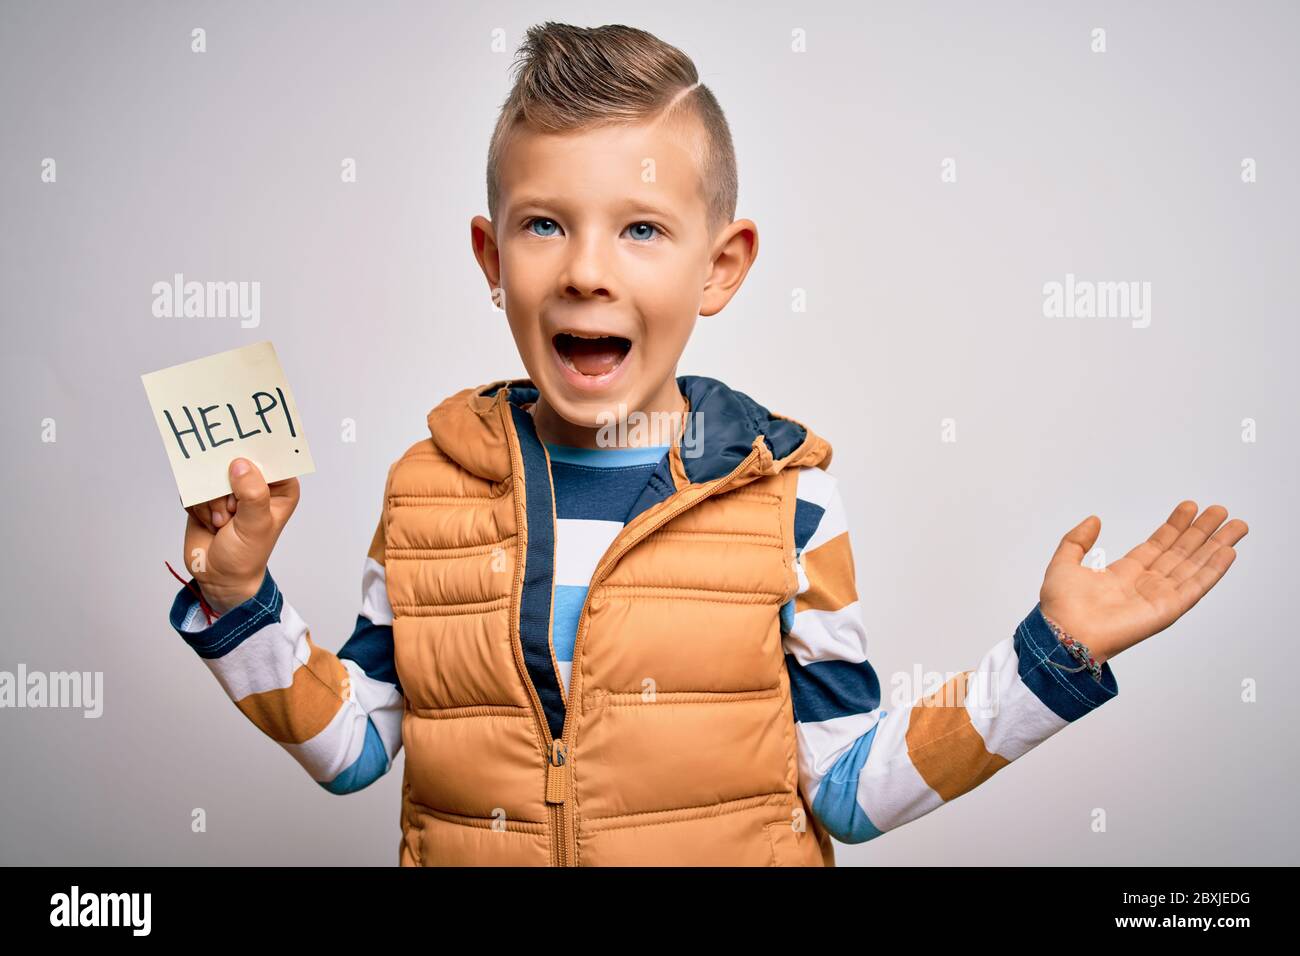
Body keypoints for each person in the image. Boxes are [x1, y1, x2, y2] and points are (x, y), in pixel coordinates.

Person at [167, 21, 1248, 866]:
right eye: (546, 224)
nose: (588, 269)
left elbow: (847, 787)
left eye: (640, 228)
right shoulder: (424, 492)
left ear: (719, 267)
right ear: (491, 258)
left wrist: (1051, 658)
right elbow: (355, 749)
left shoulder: (788, 504)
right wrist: (239, 600)